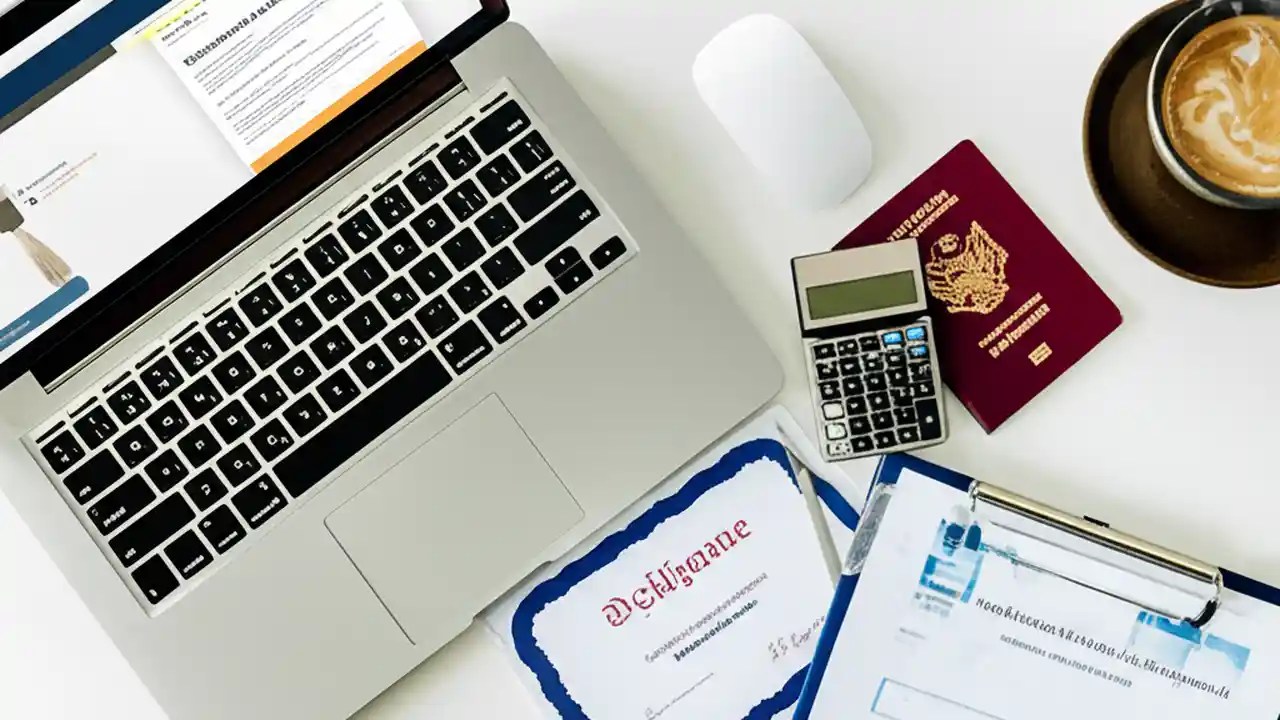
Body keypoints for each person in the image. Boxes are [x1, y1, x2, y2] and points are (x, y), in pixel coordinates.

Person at [0, 184, 72, 288]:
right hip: (12, 218)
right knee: (30, 246)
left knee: (31, 246)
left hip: (13, 214)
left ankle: (57, 275)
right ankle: (57, 275)